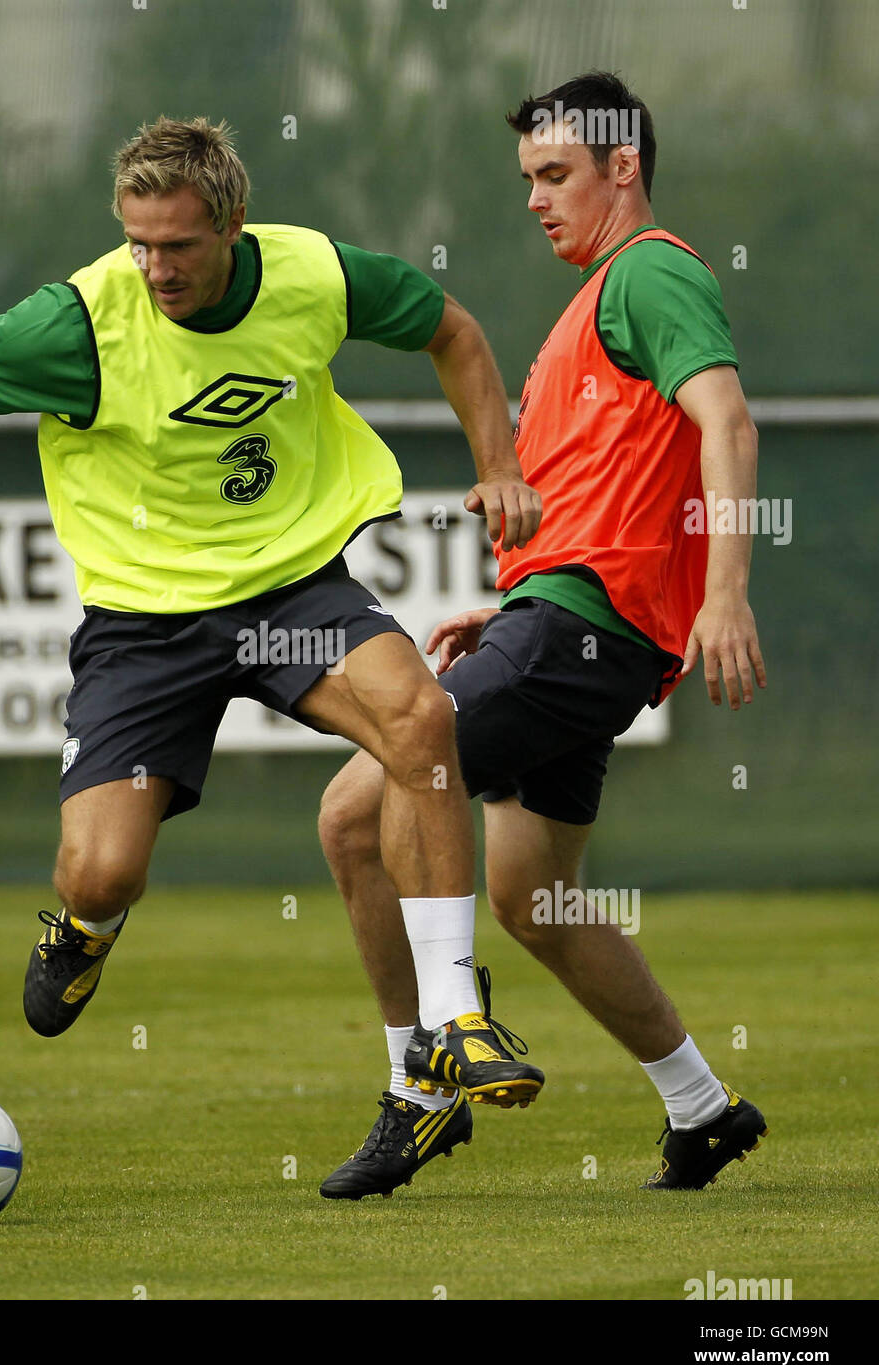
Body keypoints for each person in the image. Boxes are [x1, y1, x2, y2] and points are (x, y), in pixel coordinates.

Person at [0, 117, 544, 1176]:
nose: (155, 268)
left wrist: (500, 461)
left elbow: (453, 331)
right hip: (145, 622)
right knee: (102, 869)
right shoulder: (77, 322)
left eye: (178, 246)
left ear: (232, 226)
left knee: (422, 717)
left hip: (292, 588)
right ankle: (86, 929)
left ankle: (457, 1015)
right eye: (139, 243)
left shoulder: (313, 273)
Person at [318, 72, 769, 1200]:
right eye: (526, 179)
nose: (535, 199)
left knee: (356, 815)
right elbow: (629, 473)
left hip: (584, 633)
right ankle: (702, 1107)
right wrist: (519, 593)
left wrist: (726, 591)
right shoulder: (601, 296)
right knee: (535, 898)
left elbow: (728, 420)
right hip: (566, 623)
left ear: (624, 168)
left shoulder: (652, 271)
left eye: (556, 174)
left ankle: (421, 1089)